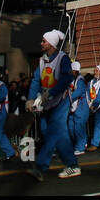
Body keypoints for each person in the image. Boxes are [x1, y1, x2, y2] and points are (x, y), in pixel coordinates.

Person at [26, 29, 79, 180]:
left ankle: (40, 167)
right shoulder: (43, 60)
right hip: (48, 103)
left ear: (51, 44)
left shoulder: (63, 58)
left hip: (60, 102)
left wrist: (51, 92)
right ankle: (73, 165)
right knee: (59, 135)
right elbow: (36, 79)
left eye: (44, 41)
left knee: (52, 134)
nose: (41, 43)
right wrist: (31, 99)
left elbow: (66, 79)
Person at [68, 63, 90, 154]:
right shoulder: (72, 79)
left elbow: (77, 93)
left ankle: (80, 148)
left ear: (75, 71)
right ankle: (81, 143)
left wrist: (67, 99)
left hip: (81, 106)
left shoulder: (80, 80)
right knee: (71, 126)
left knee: (79, 127)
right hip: (73, 106)